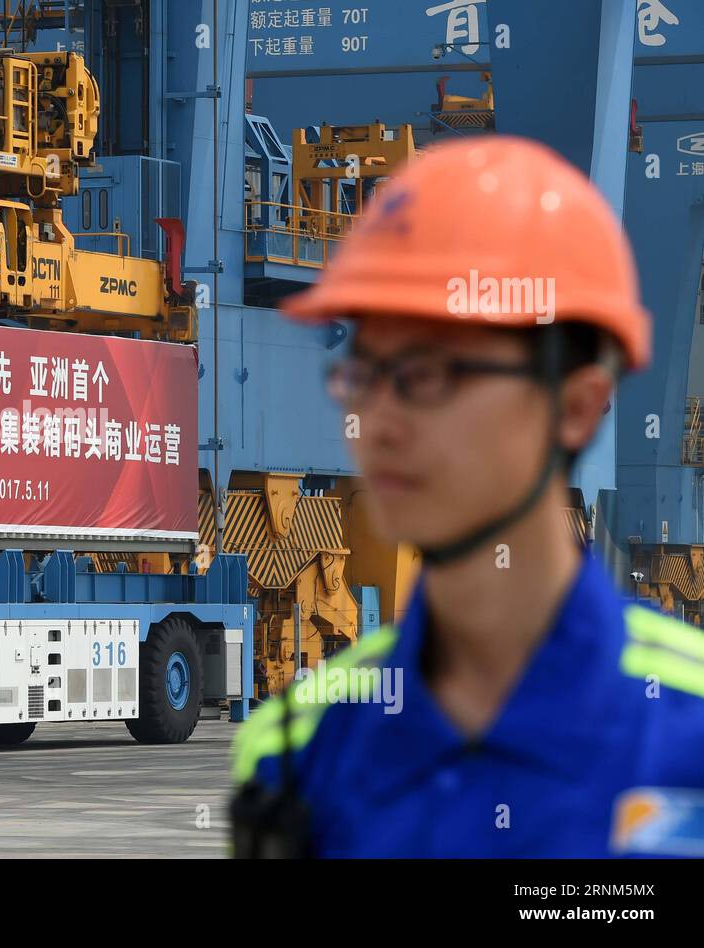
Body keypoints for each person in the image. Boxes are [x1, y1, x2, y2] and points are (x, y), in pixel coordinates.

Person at [230, 136, 704, 858]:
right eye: (362, 373)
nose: (378, 422)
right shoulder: (296, 747)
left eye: (426, 374)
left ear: (575, 406)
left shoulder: (688, 730)